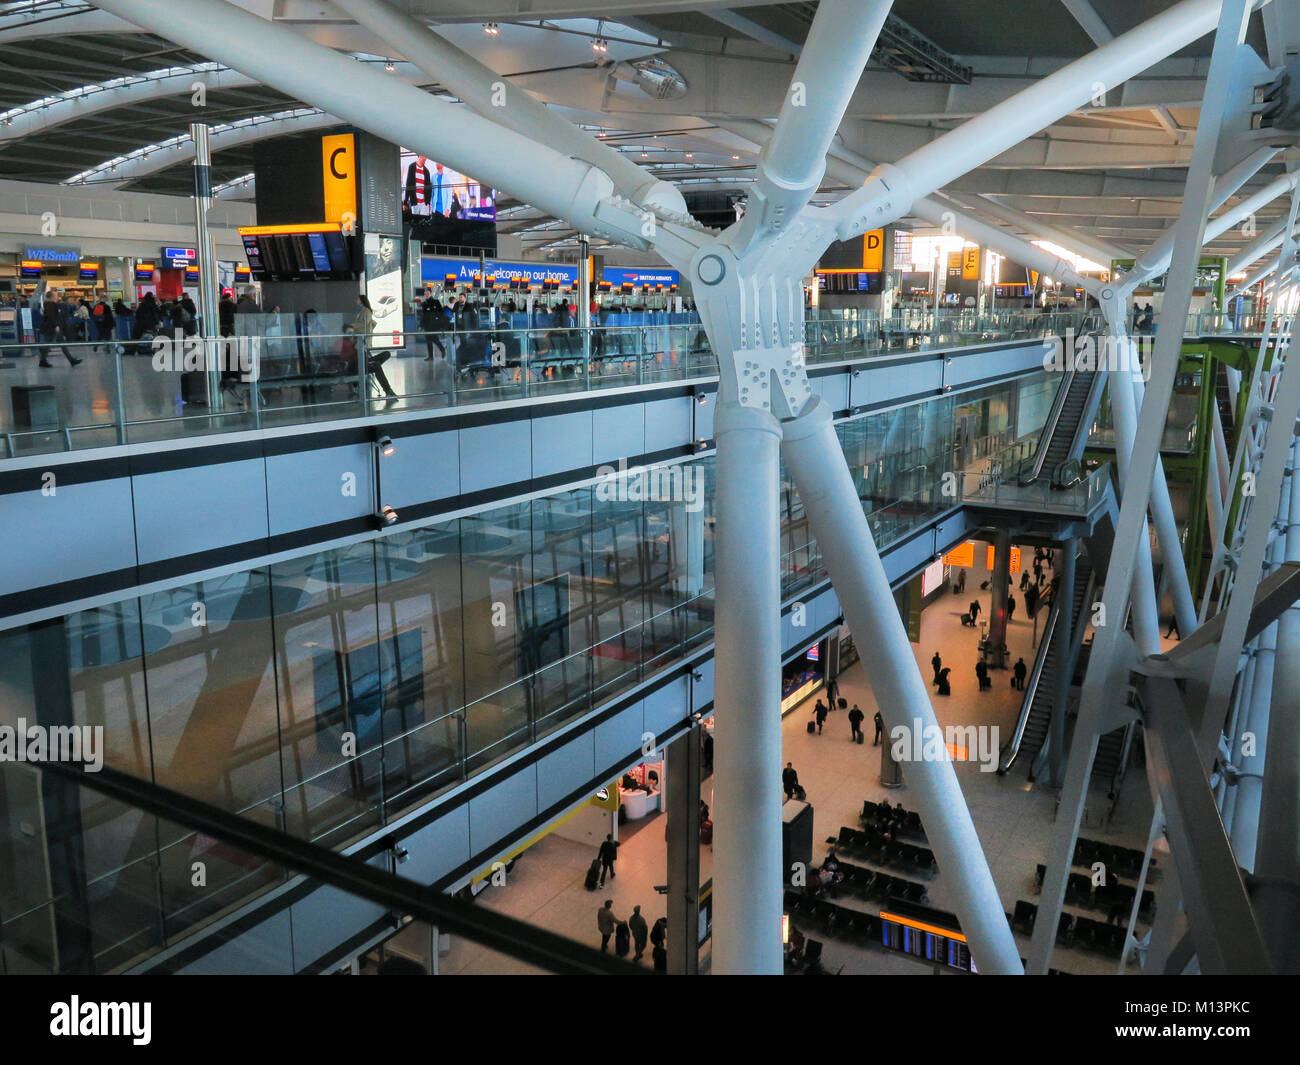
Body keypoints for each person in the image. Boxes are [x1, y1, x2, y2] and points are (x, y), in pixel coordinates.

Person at [354, 294, 397, 399]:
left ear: (362, 300)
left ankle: (373, 365)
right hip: (360, 352)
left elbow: (365, 328)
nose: (356, 300)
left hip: (362, 346)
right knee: (377, 365)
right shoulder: (364, 312)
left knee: (386, 354)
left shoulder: (366, 312)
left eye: (357, 299)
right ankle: (388, 390)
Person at [37, 294, 80, 367]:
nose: (57, 297)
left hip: (53, 328)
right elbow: (51, 316)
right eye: (56, 296)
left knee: (60, 344)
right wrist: (56, 325)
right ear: (52, 297)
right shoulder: (50, 304)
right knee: (49, 345)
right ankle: (43, 360)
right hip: (52, 328)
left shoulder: (49, 304)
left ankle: (71, 360)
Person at [420, 294, 448, 360]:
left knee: (434, 338)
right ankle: (431, 356)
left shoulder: (435, 301)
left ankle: (442, 349)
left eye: (427, 293)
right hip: (427, 324)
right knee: (429, 340)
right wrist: (422, 324)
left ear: (430, 293)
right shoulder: (424, 303)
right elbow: (423, 314)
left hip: (433, 323)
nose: (426, 295)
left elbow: (440, 311)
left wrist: (437, 318)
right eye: (425, 293)